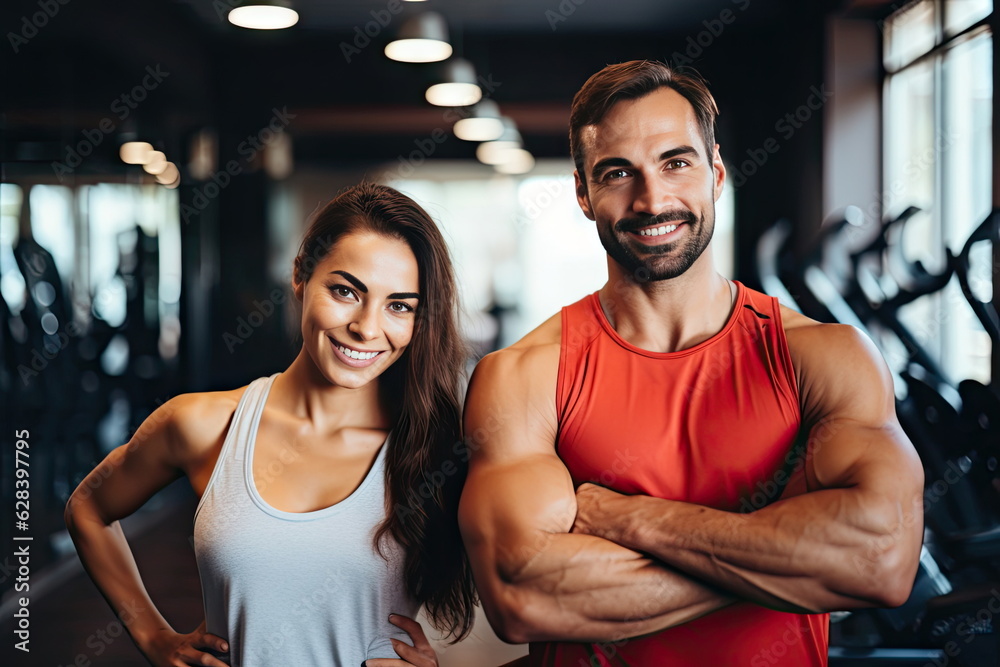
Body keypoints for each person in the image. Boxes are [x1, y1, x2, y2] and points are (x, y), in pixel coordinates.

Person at [459, 60, 925, 665]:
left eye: (676, 163)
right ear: (582, 193)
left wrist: (627, 519)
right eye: (618, 173)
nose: (653, 200)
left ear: (716, 174)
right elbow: (523, 597)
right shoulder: (525, 376)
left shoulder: (822, 357)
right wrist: (790, 558)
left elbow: (881, 560)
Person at [65, 182, 476, 667]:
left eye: (399, 306)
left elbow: (531, 610)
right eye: (345, 291)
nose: (367, 328)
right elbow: (88, 508)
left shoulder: (435, 449)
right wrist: (153, 636)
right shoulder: (202, 424)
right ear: (301, 275)